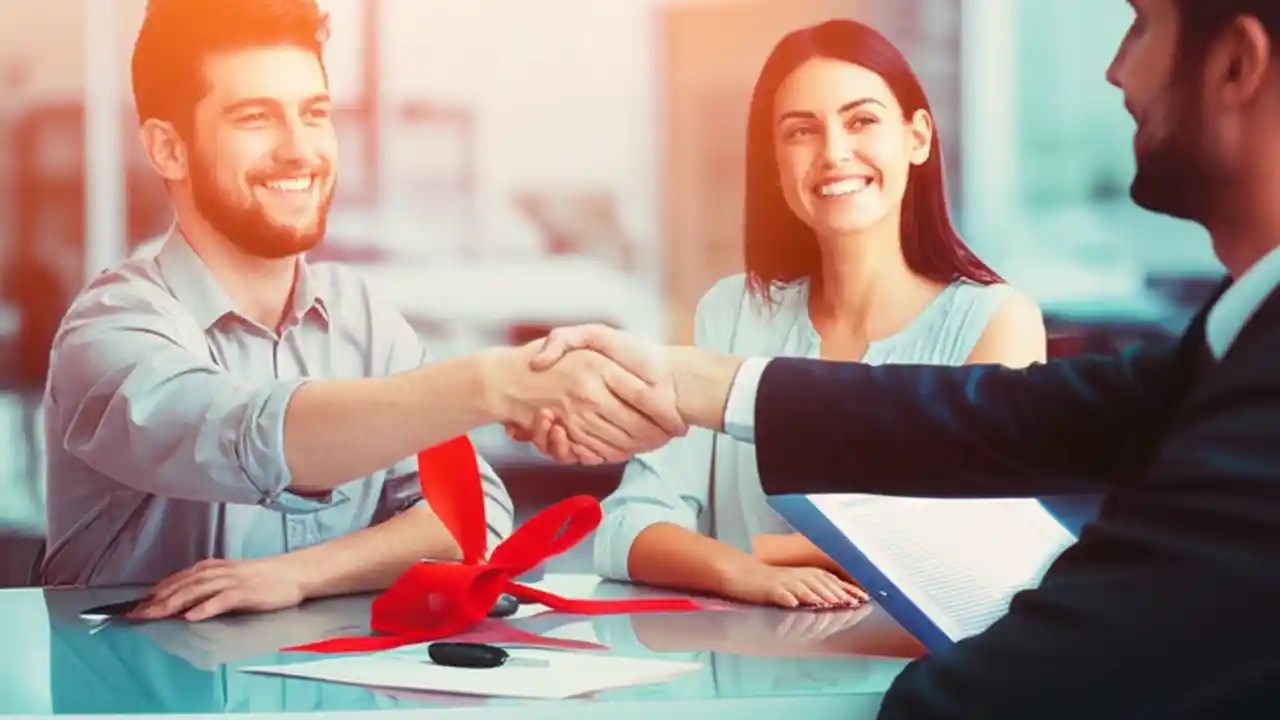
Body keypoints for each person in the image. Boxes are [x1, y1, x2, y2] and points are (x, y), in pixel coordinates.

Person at [525, 0, 1280, 716]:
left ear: (1237, 65)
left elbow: (1012, 604)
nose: (1115, 69)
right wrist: (699, 390)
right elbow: (986, 422)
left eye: (1141, 25)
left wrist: (750, 544)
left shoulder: (1019, 323)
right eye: (799, 131)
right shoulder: (1221, 352)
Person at [40, 0, 682, 622]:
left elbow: (472, 517)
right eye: (255, 117)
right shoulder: (110, 331)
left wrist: (297, 575)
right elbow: (249, 437)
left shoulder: (362, 319)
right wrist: (491, 386)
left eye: (314, 113)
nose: (299, 150)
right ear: (167, 150)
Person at [570, 19, 1046, 610]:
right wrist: (742, 573)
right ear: (775, 160)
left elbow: (963, 547)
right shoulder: (732, 312)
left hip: (905, 680)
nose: (833, 153)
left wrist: (763, 550)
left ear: (917, 137)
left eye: (862, 120)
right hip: (735, 683)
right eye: (801, 131)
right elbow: (627, 526)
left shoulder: (995, 322)